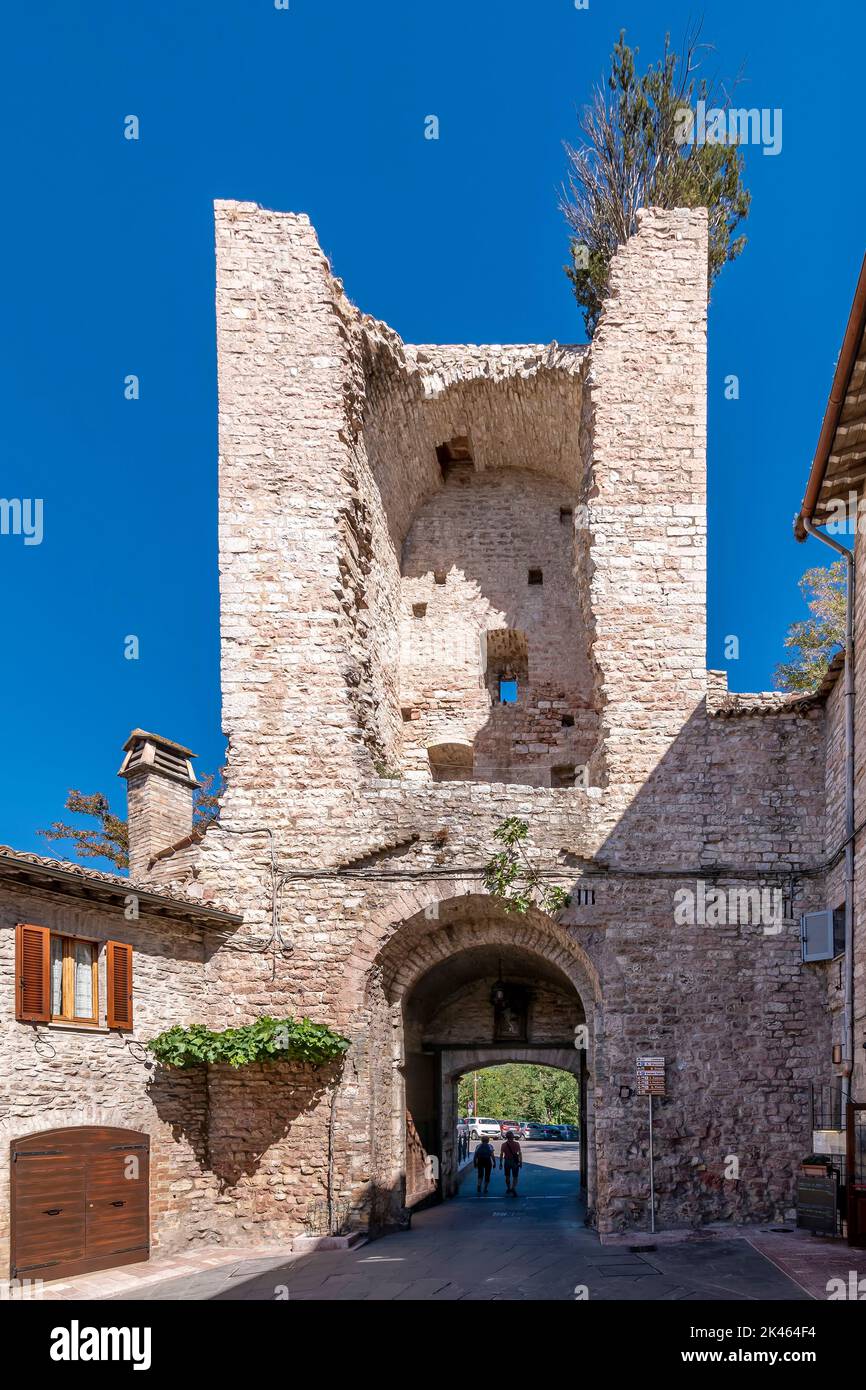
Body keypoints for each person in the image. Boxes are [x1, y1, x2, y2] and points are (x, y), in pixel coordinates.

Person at [499, 1129, 523, 1196]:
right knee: (515, 1176)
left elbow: (501, 1154)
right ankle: (513, 1187)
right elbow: (519, 1153)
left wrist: (500, 1163)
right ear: (513, 1136)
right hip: (515, 1162)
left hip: (507, 1161)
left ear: (506, 1137)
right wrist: (520, 1162)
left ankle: (508, 1188)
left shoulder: (503, 1145)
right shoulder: (516, 1144)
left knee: (507, 1176)